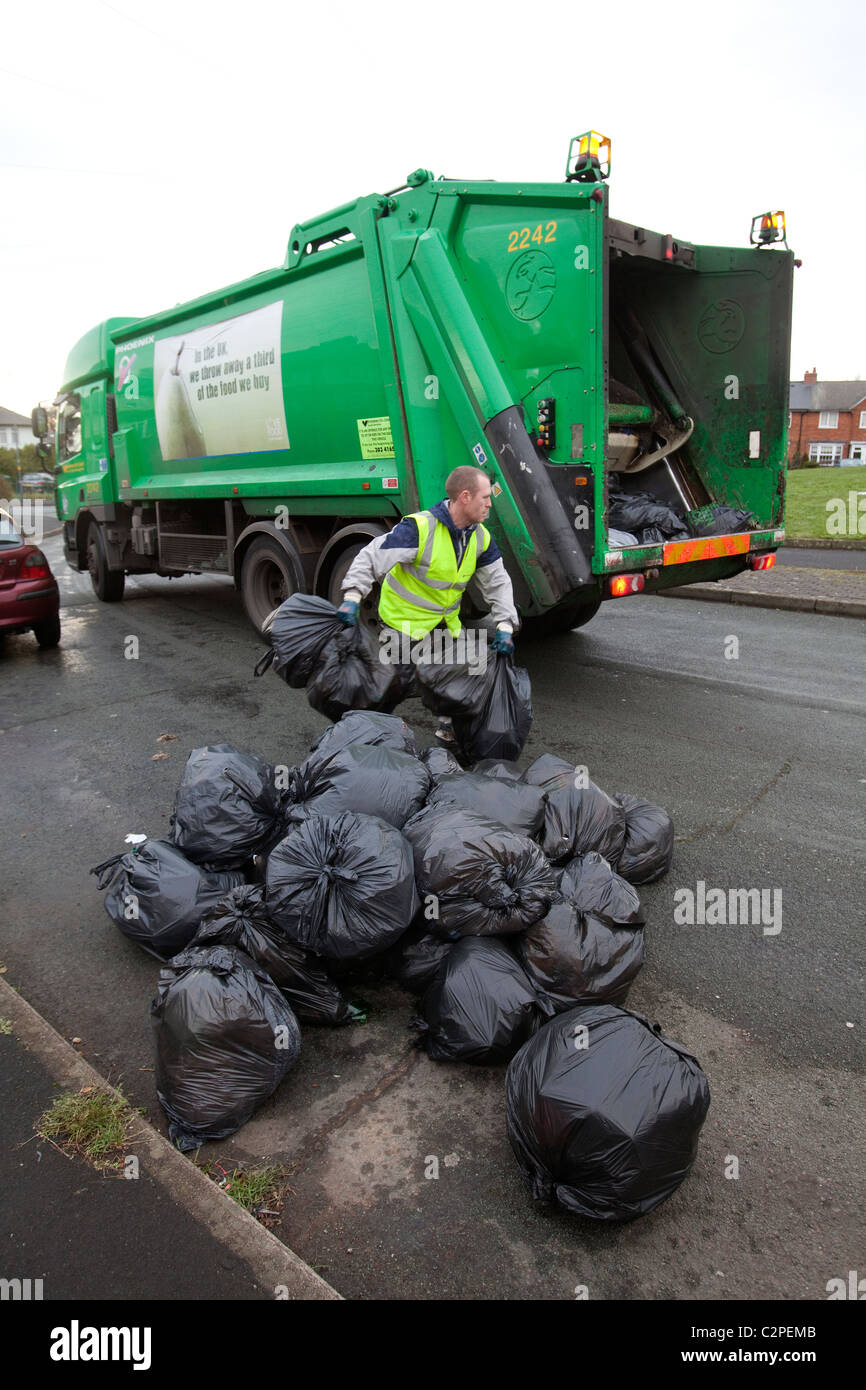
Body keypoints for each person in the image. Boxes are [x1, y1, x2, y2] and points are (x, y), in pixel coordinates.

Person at [337, 466, 519, 745]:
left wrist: (505, 624)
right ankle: (365, 736)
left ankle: (450, 733)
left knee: (470, 670)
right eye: (484, 497)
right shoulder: (420, 529)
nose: (489, 503)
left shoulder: (480, 537)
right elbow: (371, 557)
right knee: (389, 688)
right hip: (402, 625)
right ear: (465, 496)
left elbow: (497, 582)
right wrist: (352, 598)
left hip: (443, 625)